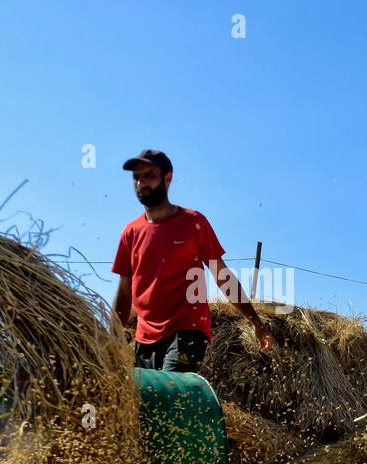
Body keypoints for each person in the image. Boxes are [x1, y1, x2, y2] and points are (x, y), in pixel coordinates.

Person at [112, 149, 274, 373]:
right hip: (145, 338)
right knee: (147, 403)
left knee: (169, 391)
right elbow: (123, 291)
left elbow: (222, 276)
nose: (141, 182)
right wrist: (113, 335)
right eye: (136, 177)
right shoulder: (130, 233)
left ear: (168, 178)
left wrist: (256, 322)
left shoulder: (193, 223)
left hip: (187, 329)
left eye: (149, 175)